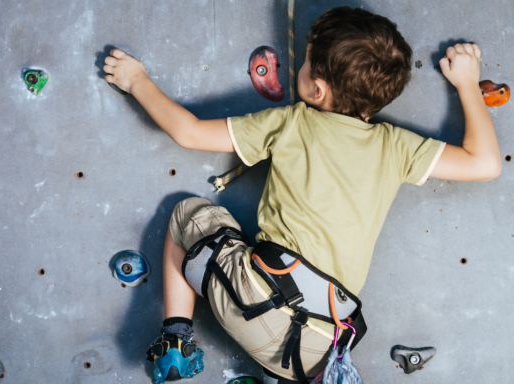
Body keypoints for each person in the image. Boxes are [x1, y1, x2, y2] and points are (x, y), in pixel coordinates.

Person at [102, 5, 501, 384]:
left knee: (190, 214)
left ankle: (176, 339)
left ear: (318, 89)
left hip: (253, 302)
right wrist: (467, 82)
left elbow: (188, 131)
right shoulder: (396, 147)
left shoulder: (293, 123)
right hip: (313, 352)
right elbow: (485, 163)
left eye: (306, 60)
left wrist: (137, 81)